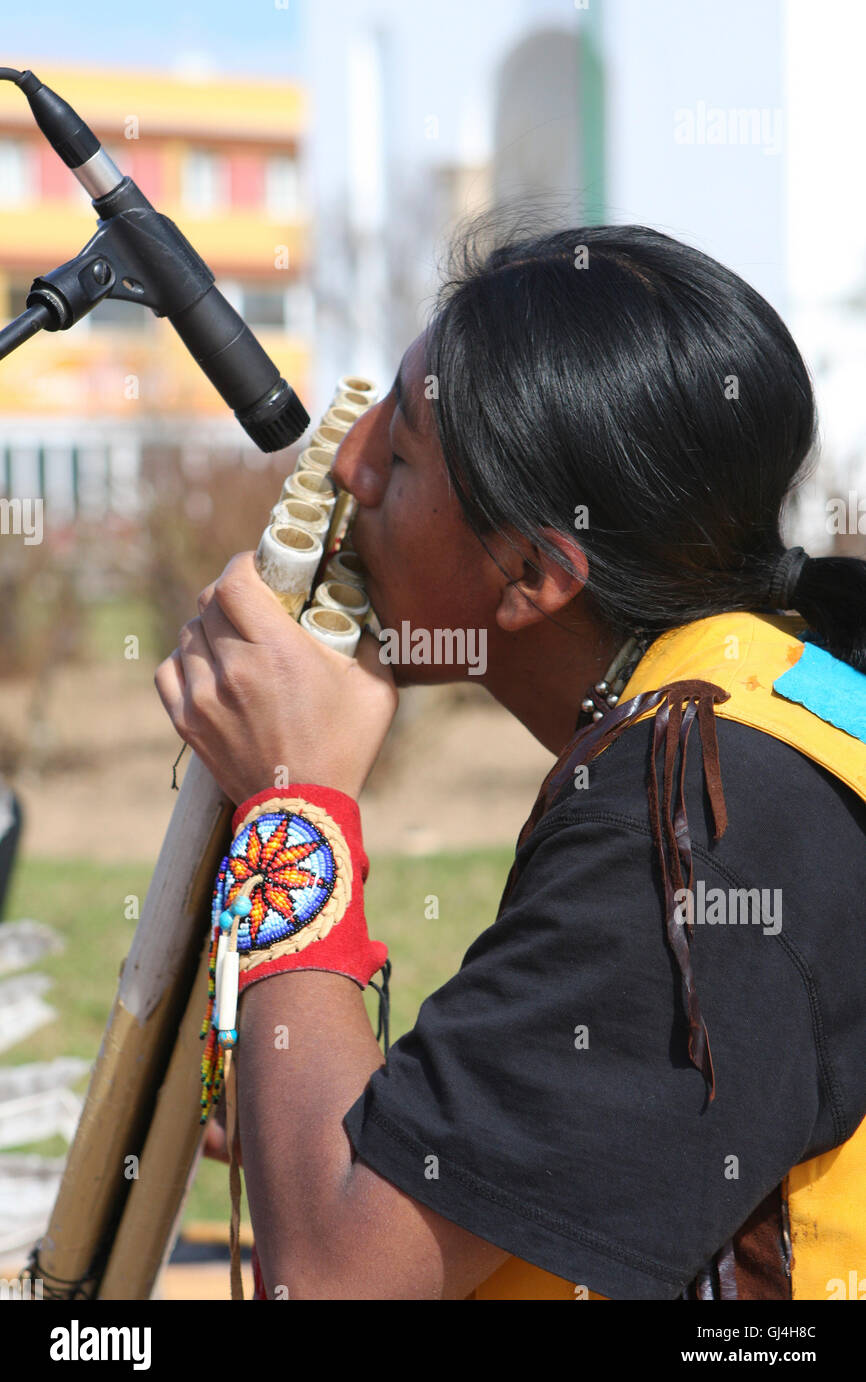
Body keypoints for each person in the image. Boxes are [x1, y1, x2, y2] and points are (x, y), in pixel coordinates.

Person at [155, 217, 866, 1300]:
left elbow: (336, 1284)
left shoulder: (691, 824)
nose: (346, 462)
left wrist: (289, 799)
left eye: (396, 455)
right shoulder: (771, 705)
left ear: (532, 572)